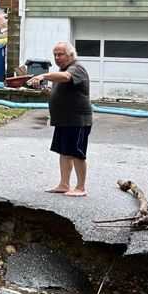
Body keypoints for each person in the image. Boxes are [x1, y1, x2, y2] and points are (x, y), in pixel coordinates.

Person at [21, 41, 92, 197]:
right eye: (55, 55)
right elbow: (64, 86)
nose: (57, 58)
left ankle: (81, 187)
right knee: (64, 152)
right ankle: (64, 184)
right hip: (64, 120)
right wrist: (50, 90)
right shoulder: (63, 69)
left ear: (71, 55)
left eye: (61, 54)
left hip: (77, 120)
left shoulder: (76, 68)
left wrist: (44, 75)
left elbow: (66, 77)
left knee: (77, 153)